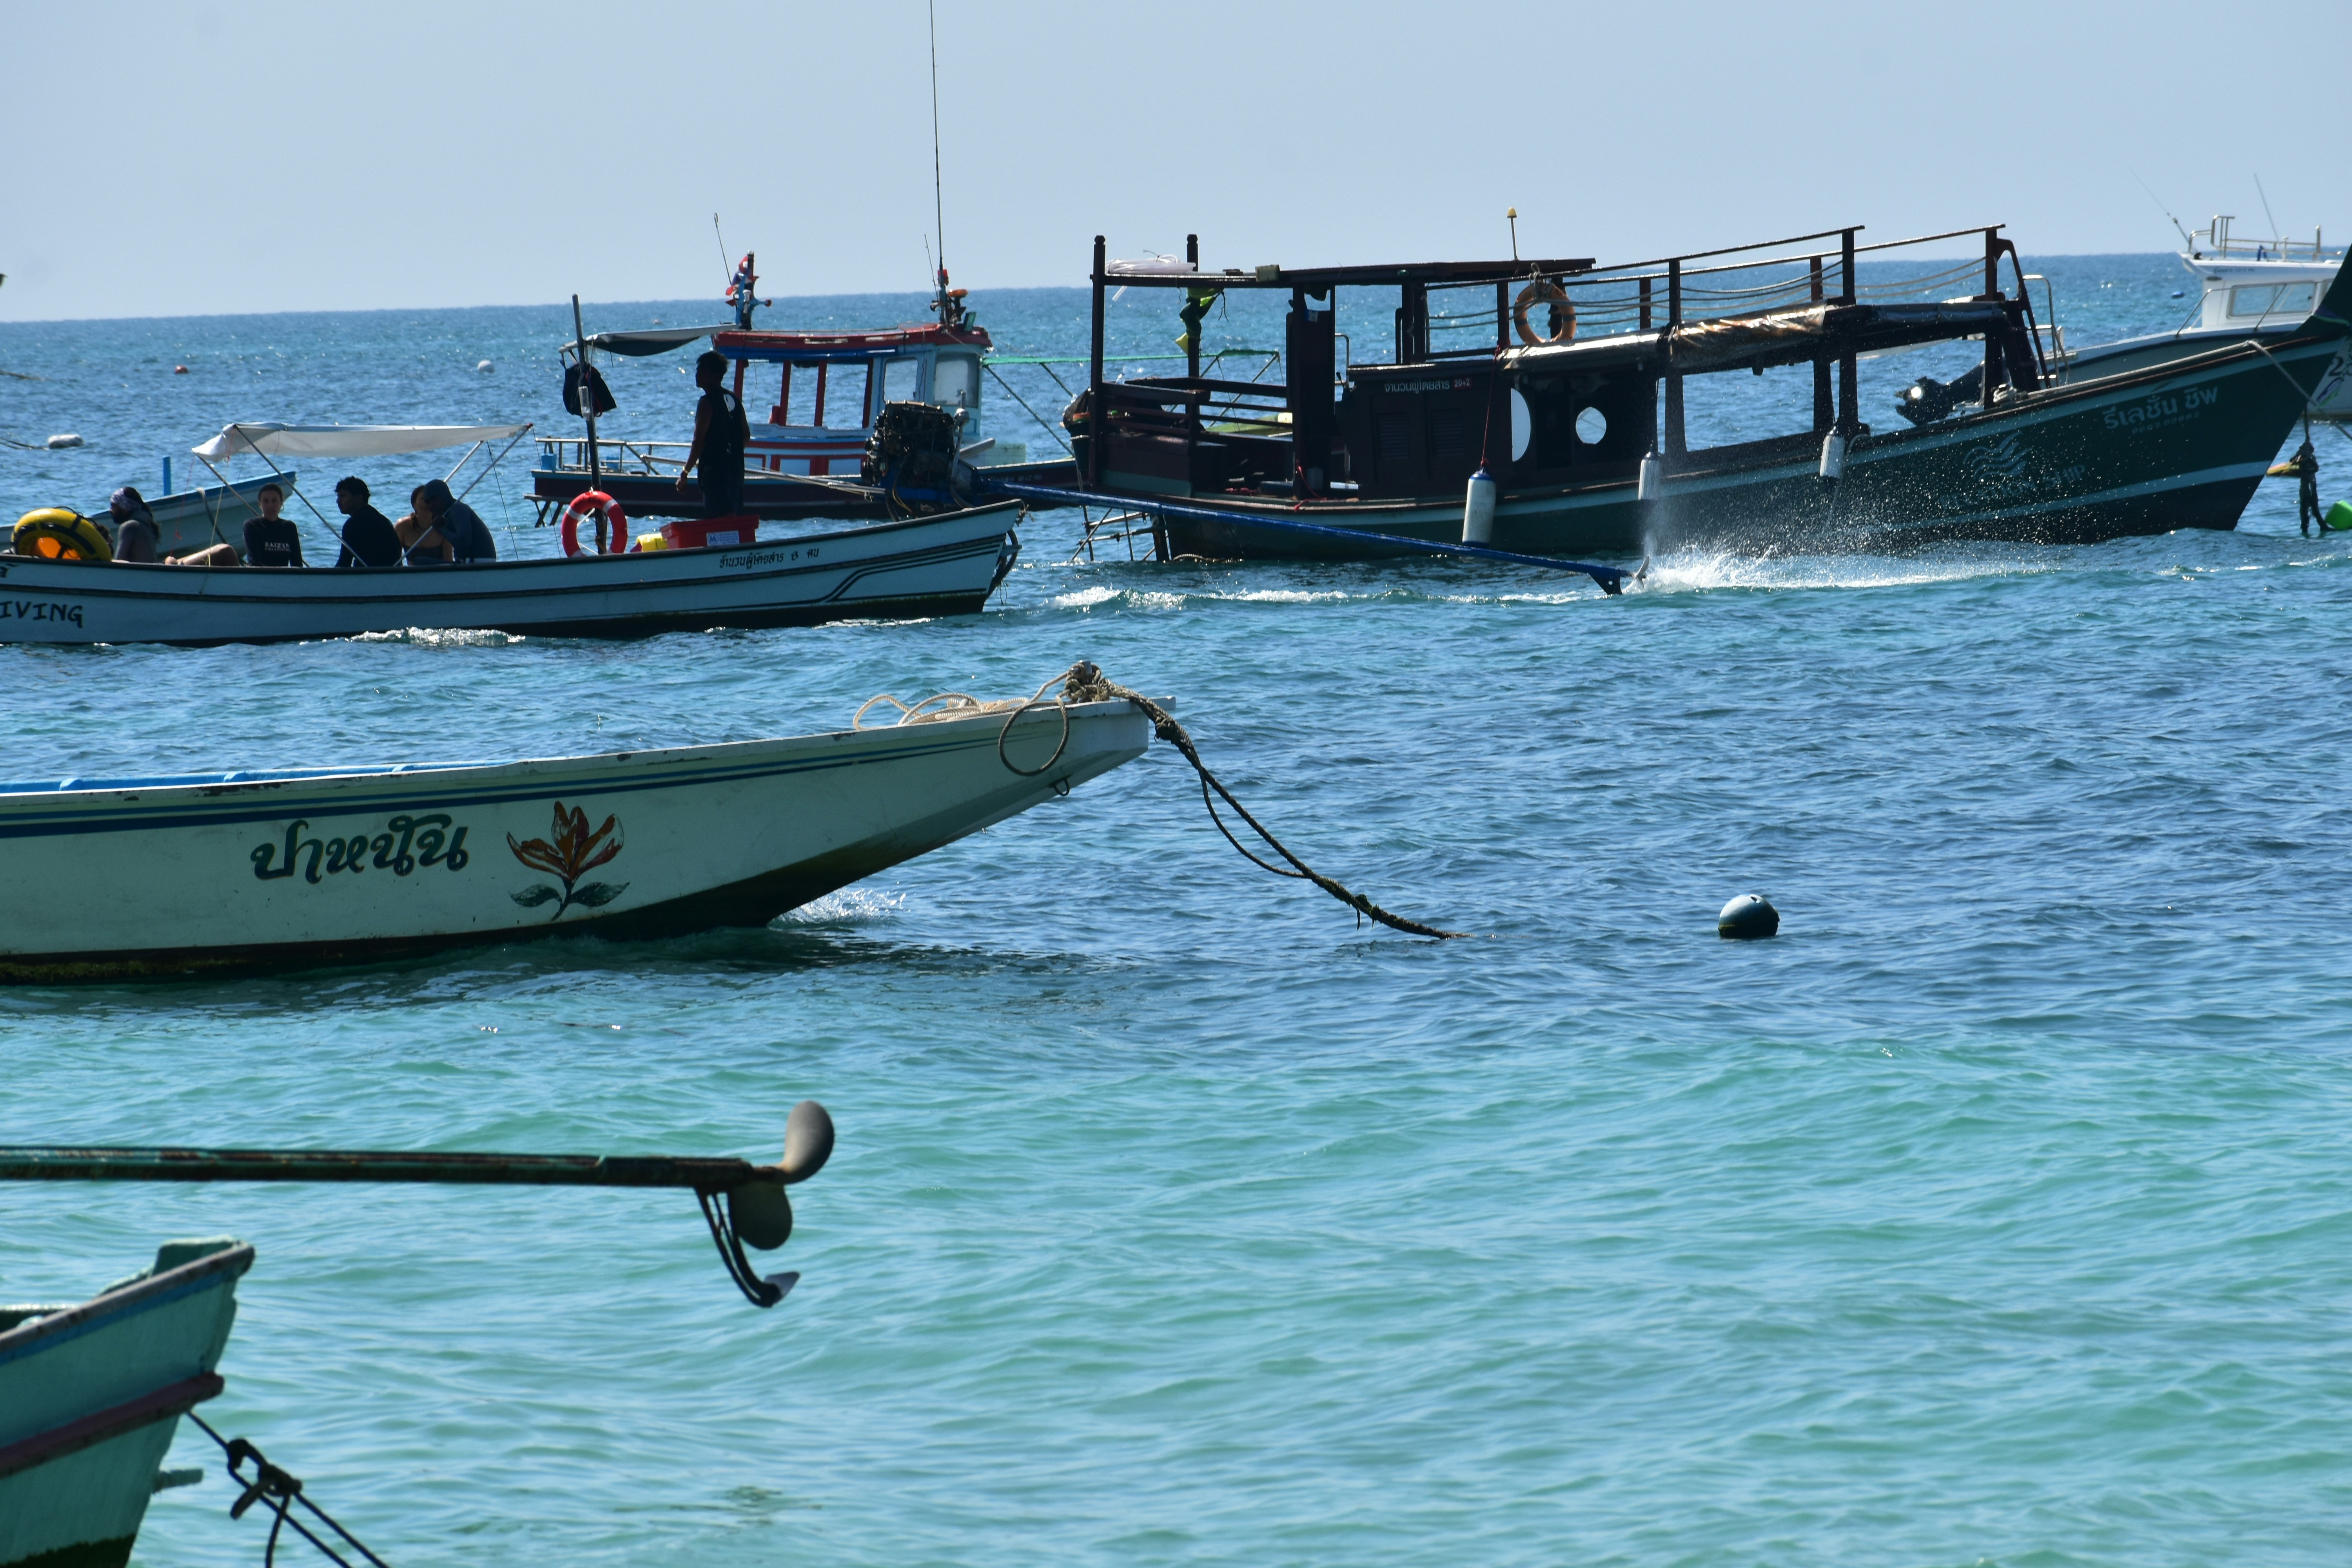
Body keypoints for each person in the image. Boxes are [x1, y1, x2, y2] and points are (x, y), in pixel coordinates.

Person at [675, 350, 749, 518]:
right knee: (734, 519)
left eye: (702, 371)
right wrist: (733, 453)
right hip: (736, 472)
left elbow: (698, 441)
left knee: (717, 522)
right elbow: (746, 435)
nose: (697, 374)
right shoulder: (733, 399)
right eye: (697, 370)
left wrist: (685, 472)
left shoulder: (707, 403)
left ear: (715, 376)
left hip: (715, 474)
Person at [406, 478, 496, 564]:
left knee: (420, 562)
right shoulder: (453, 511)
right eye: (428, 502)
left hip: (478, 563)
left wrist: (441, 529)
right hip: (472, 562)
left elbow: (464, 543)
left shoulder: (458, 510)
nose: (431, 505)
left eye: (434, 499)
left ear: (444, 496)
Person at [332, 476, 402, 568]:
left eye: (343, 496)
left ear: (359, 498)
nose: (338, 501)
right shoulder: (383, 520)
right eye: (338, 496)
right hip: (393, 575)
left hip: (369, 577)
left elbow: (344, 563)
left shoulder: (353, 525)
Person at [241, 482, 305, 568]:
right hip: (262, 577)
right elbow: (255, 562)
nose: (270, 506)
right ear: (260, 504)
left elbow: (297, 564)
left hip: (284, 578)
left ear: (281, 503)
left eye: (274, 501)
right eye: (266, 501)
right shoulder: (252, 526)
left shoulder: (289, 527)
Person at [107, 487, 160, 564]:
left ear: (125, 506)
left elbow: (118, 564)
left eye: (113, 505)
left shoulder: (129, 527)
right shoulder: (148, 525)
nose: (110, 510)